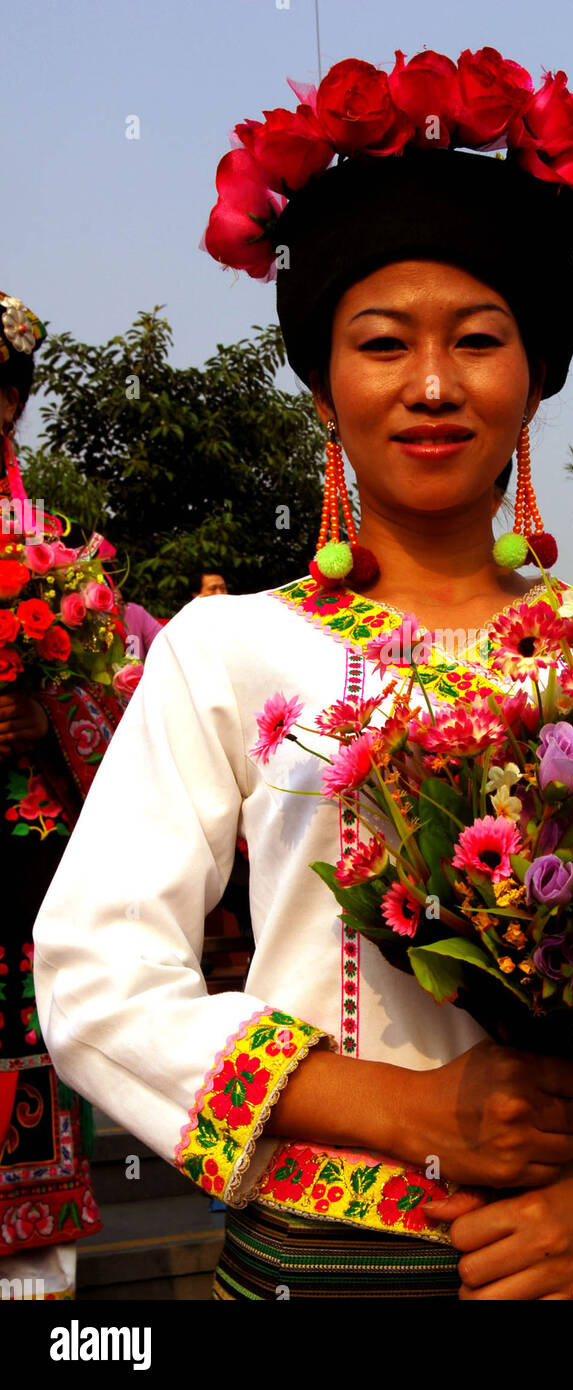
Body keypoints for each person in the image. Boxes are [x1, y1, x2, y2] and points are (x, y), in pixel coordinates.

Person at [32, 48, 573, 1302]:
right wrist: (410, 1109)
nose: (433, 385)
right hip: (315, 1268)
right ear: (326, 383)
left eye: (479, 340)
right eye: (384, 342)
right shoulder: (228, 652)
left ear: (533, 376)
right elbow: (94, 970)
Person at [0, 292, 126, 1299]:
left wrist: (50, 718)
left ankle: (34, 1281)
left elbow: (109, 704)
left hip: (22, 855)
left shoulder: (48, 555)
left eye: (5, 392)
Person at [114, 587, 164, 661]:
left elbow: (162, 642)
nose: (117, 609)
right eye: (112, 606)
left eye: (120, 603)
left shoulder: (135, 612)